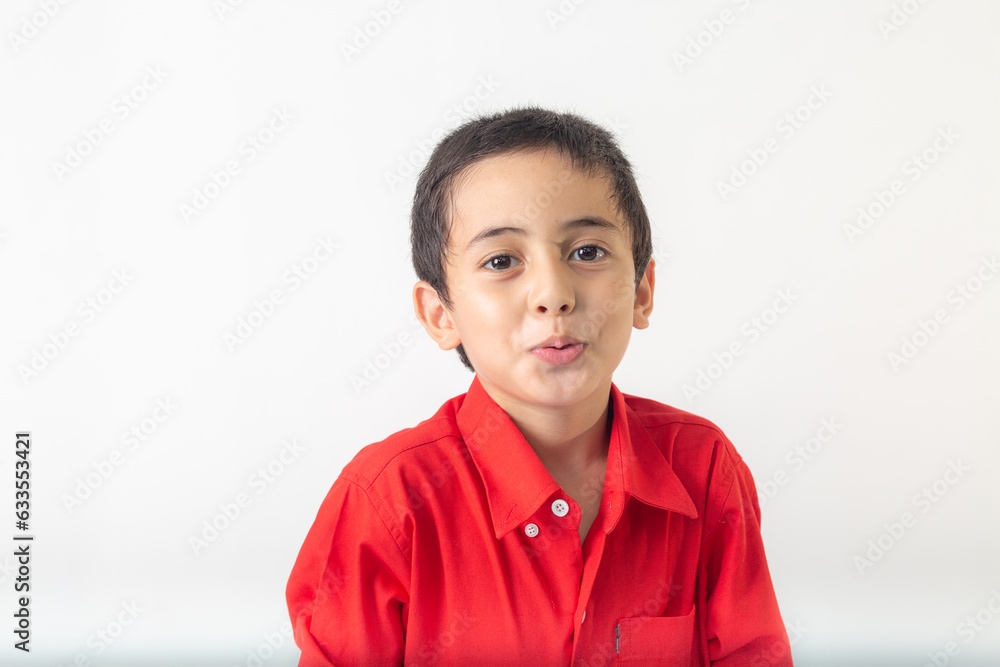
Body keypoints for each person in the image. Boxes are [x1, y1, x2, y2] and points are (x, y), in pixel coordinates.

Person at [286, 106, 793, 666]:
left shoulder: (703, 470)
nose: (554, 293)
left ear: (643, 290)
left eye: (587, 252)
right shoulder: (386, 502)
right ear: (440, 313)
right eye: (502, 260)